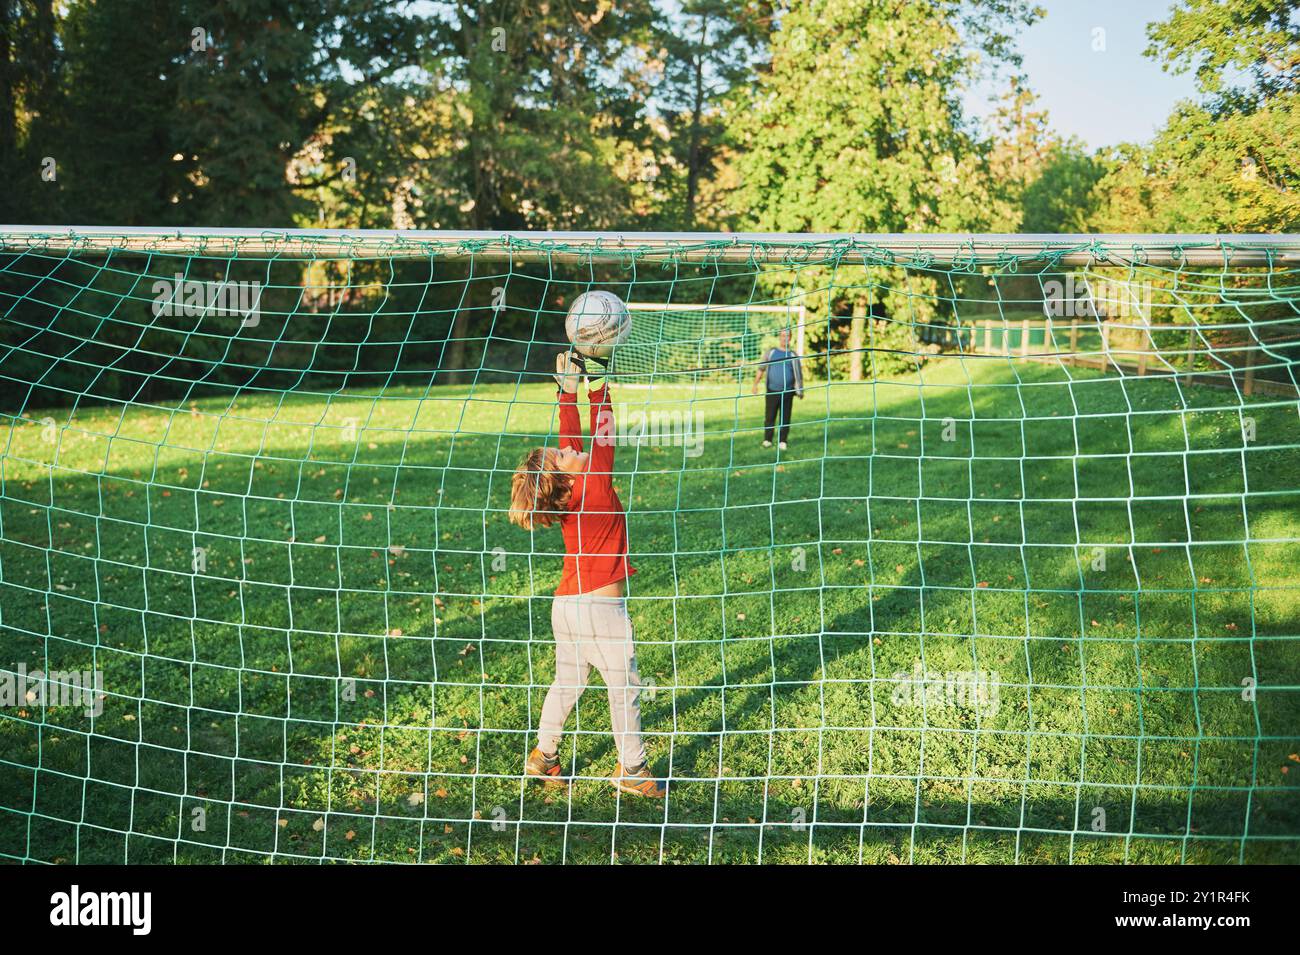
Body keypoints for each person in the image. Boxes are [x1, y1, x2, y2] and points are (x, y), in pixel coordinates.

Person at [507, 350, 665, 798]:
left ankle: (544, 756)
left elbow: (574, 438)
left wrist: (568, 390)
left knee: (569, 682)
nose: (566, 447)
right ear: (564, 477)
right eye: (560, 454)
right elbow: (603, 435)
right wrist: (599, 386)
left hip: (569, 607)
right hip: (599, 608)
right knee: (625, 686)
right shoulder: (591, 484)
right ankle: (632, 768)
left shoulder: (572, 487)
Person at [752, 327, 804, 450]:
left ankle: (782, 441)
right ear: (779, 337)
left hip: (788, 392)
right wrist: (755, 384)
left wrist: (800, 390)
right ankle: (767, 440)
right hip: (772, 390)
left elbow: (798, 374)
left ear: (790, 338)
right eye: (782, 335)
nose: (785, 338)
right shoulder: (771, 352)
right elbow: (761, 368)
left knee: (785, 417)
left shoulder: (793, 355)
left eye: (787, 336)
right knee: (770, 417)